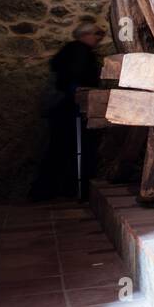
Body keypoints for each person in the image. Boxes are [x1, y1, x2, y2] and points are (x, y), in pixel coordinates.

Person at [30, 21, 105, 201]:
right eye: (96, 33)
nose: (98, 38)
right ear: (85, 35)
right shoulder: (79, 52)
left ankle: (47, 192)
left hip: (63, 108)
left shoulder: (69, 51)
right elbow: (76, 79)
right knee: (70, 149)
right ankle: (74, 191)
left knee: (58, 149)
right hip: (72, 108)